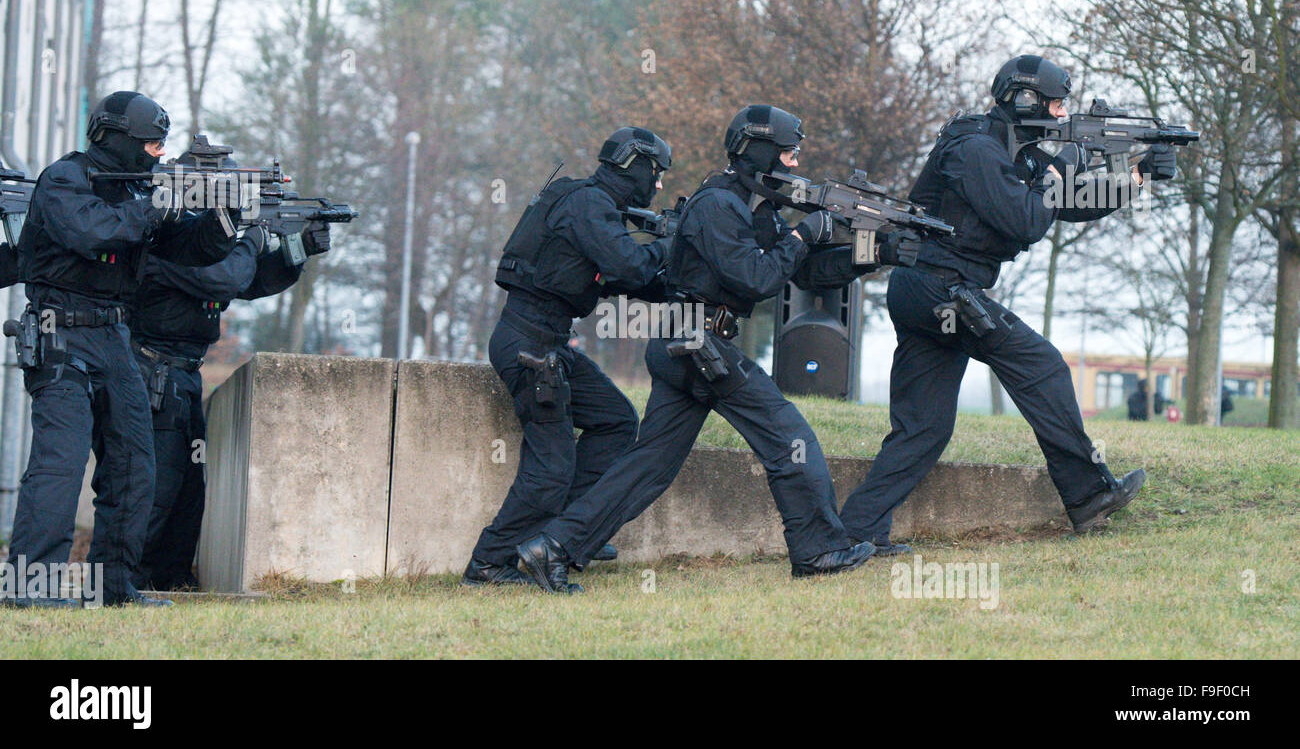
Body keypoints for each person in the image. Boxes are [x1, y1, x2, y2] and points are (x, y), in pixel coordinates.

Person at [516, 105, 883, 593]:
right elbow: (757, 278)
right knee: (788, 435)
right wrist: (801, 235)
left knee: (647, 469)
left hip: (691, 345)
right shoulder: (716, 205)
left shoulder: (754, 209)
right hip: (695, 343)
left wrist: (872, 254)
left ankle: (551, 548)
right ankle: (819, 548)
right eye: (789, 154)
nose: (795, 164)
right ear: (761, 152)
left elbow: (803, 274)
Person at [838, 56, 1178, 549]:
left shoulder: (1018, 150)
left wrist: (1137, 175)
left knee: (923, 430)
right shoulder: (975, 147)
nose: (1063, 114)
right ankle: (1087, 495)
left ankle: (853, 533)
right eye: (1056, 103)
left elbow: (1069, 203)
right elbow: (1024, 220)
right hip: (939, 291)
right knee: (1042, 366)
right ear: (1025, 100)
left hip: (932, 291)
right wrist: (1067, 160)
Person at [2, 91, 240, 608]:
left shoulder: (141, 188)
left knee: (136, 466)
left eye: (161, 145)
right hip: (59, 330)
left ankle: (112, 588)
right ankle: (28, 587)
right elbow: (94, 231)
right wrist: (158, 202)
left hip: (115, 337)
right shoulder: (64, 179)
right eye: (151, 143)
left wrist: (225, 218)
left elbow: (190, 249)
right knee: (58, 464)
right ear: (116, 139)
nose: (158, 153)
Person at [463, 127, 675, 588]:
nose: (657, 185)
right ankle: (487, 565)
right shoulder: (589, 204)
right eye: (655, 173)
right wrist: (669, 245)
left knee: (616, 420)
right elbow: (629, 265)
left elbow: (620, 277)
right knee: (551, 470)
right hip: (530, 343)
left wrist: (670, 278)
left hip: (547, 340)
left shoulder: (593, 207)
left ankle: (566, 534)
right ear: (634, 165)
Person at [128, 147, 329, 591]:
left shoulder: (206, 243)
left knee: (186, 490)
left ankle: (169, 578)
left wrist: (296, 251)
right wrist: (252, 240)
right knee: (156, 486)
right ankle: (129, 580)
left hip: (180, 375)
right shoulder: (168, 236)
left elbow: (251, 282)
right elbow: (221, 278)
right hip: (149, 372)